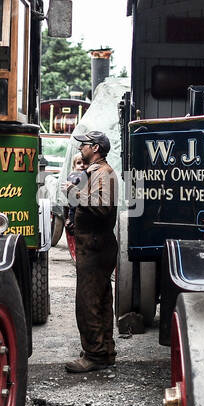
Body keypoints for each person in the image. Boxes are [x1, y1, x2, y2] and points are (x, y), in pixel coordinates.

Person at [65, 129, 118, 373]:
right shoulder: (94, 172)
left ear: (95, 148)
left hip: (96, 247)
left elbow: (101, 207)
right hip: (96, 245)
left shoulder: (103, 173)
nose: (80, 148)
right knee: (100, 299)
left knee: (88, 302)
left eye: (84, 145)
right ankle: (103, 351)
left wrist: (72, 193)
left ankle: (95, 356)